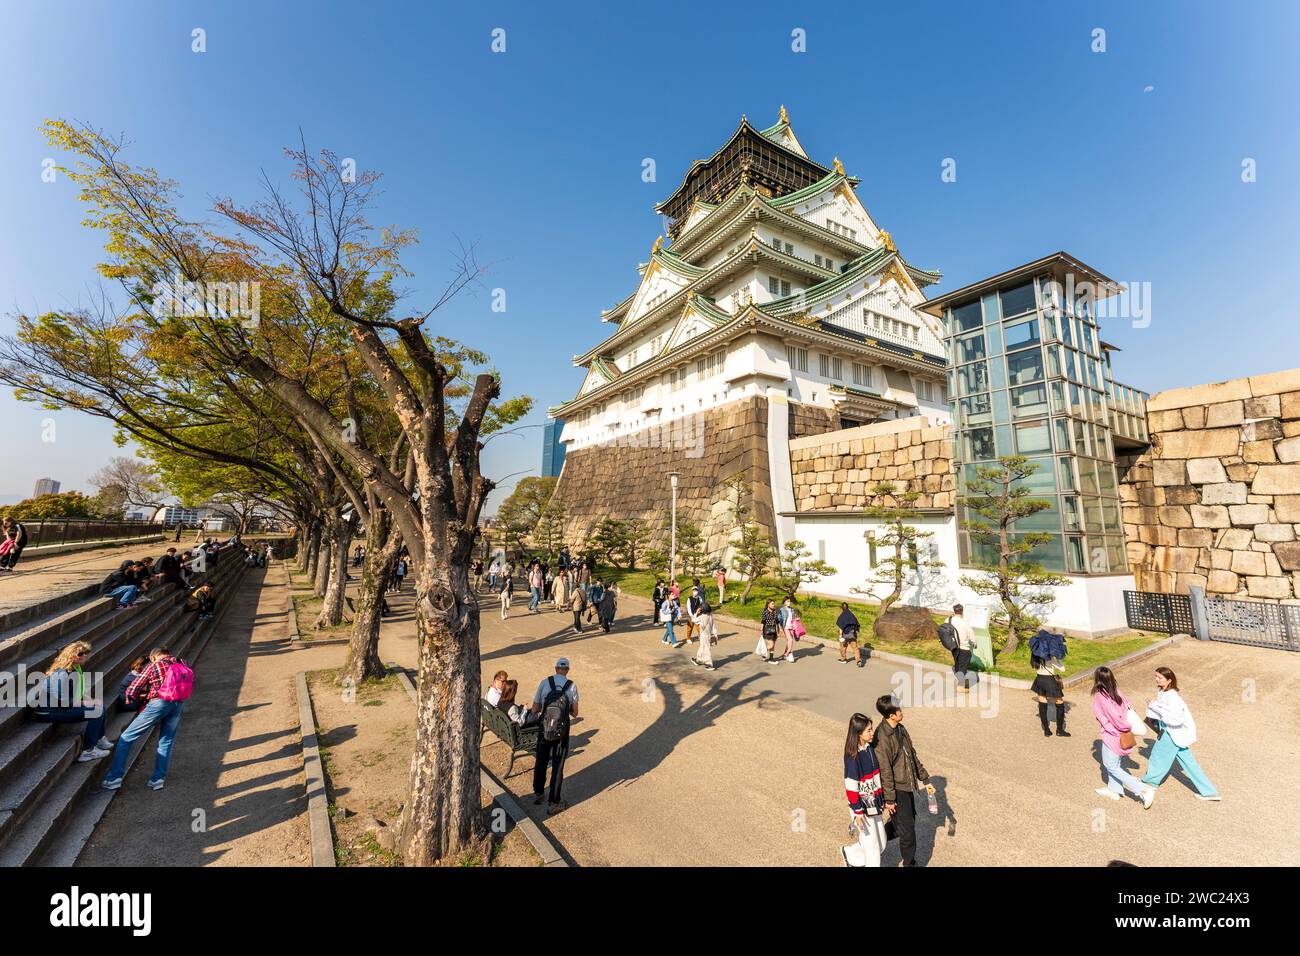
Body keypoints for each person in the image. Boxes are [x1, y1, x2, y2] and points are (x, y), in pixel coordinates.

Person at [102, 647, 194, 792]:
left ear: (153, 657)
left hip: (158, 703)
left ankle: (114, 778)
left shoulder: (154, 665)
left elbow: (134, 687)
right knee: (166, 741)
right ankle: (158, 779)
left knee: (126, 737)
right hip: (178, 703)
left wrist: (130, 697)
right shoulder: (183, 662)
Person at [874, 695, 935, 868]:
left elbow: (912, 755)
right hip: (896, 790)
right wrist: (890, 799)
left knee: (903, 826)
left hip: (907, 785)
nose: (902, 711)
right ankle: (910, 864)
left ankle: (870, 842)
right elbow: (885, 771)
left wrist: (925, 778)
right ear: (891, 715)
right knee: (908, 832)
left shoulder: (901, 729)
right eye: (898, 709)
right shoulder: (882, 738)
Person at [1140, 667, 1219, 800]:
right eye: (1156, 676)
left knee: (1157, 756)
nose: (1156, 679)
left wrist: (1153, 706)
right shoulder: (1163, 692)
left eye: (1159, 677)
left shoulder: (1173, 696)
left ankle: (1150, 782)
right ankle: (1209, 792)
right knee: (1189, 763)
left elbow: (1175, 718)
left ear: (1169, 680)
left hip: (1172, 733)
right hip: (1176, 734)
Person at [30, 641, 112, 762]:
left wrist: (91, 700)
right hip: (48, 711)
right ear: (71, 655)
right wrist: (85, 703)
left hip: (59, 707)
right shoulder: (62, 673)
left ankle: (99, 739)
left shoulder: (75, 669)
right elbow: (62, 701)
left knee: (101, 708)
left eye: (86, 653)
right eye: (80, 653)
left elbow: (78, 691)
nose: (84, 656)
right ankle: (88, 751)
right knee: (97, 712)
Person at [1090, 666, 1156, 808]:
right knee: (1115, 763)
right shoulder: (1116, 690)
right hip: (1120, 734)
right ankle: (1114, 789)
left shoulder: (1101, 695)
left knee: (1110, 765)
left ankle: (1142, 790)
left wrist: (1124, 727)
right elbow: (1127, 707)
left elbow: (1114, 717)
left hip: (1113, 735)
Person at [532, 658, 579, 813]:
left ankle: (539, 792)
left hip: (544, 729)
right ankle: (554, 801)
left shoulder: (545, 682)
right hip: (561, 732)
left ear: (556, 668)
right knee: (558, 766)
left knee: (541, 760)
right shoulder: (572, 686)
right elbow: (575, 713)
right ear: (567, 670)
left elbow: (535, 708)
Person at [842, 712, 888, 867]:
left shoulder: (869, 748)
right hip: (861, 807)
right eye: (869, 730)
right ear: (858, 733)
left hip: (874, 804)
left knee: (881, 843)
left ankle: (850, 855)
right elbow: (850, 785)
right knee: (873, 849)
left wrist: (882, 800)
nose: (872, 732)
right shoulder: (852, 755)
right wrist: (857, 811)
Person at [1031, 654, 1069, 738]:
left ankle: (1046, 730)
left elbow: (1034, 666)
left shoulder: (1035, 655)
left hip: (1039, 679)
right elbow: (1062, 669)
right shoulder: (1050, 658)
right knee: (1060, 704)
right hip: (1050, 681)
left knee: (1042, 703)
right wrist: (1058, 658)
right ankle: (1060, 730)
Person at [948, 604, 977, 690]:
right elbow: (972, 638)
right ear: (962, 611)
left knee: (958, 665)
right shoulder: (965, 623)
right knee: (963, 667)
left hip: (954, 647)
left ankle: (961, 681)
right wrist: (975, 644)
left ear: (954, 611)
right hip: (964, 648)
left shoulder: (948, 620)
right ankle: (962, 686)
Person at [688, 585, 716, 670]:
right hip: (708, 634)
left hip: (704, 634)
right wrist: (715, 634)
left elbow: (693, 620)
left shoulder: (702, 617)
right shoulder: (710, 615)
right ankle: (699, 660)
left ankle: (709, 664)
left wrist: (696, 613)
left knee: (706, 648)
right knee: (701, 647)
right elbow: (714, 625)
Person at [836, 602, 864, 667]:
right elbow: (857, 624)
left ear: (842, 608)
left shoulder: (842, 615)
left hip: (845, 635)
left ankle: (844, 659)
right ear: (848, 607)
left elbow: (841, 626)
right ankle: (858, 661)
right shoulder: (852, 615)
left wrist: (840, 635)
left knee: (843, 647)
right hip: (852, 635)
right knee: (855, 648)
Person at [777, 597, 797, 664]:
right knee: (790, 640)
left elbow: (793, 617)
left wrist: (796, 619)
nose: (789, 603)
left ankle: (786, 654)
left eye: (789, 601)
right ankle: (788, 653)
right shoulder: (782, 609)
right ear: (784, 602)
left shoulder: (792, 609)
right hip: (785, 627)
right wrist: (780, 628)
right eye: (788, 601)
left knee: (789, 641)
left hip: (791, 627)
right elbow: (779, 619)